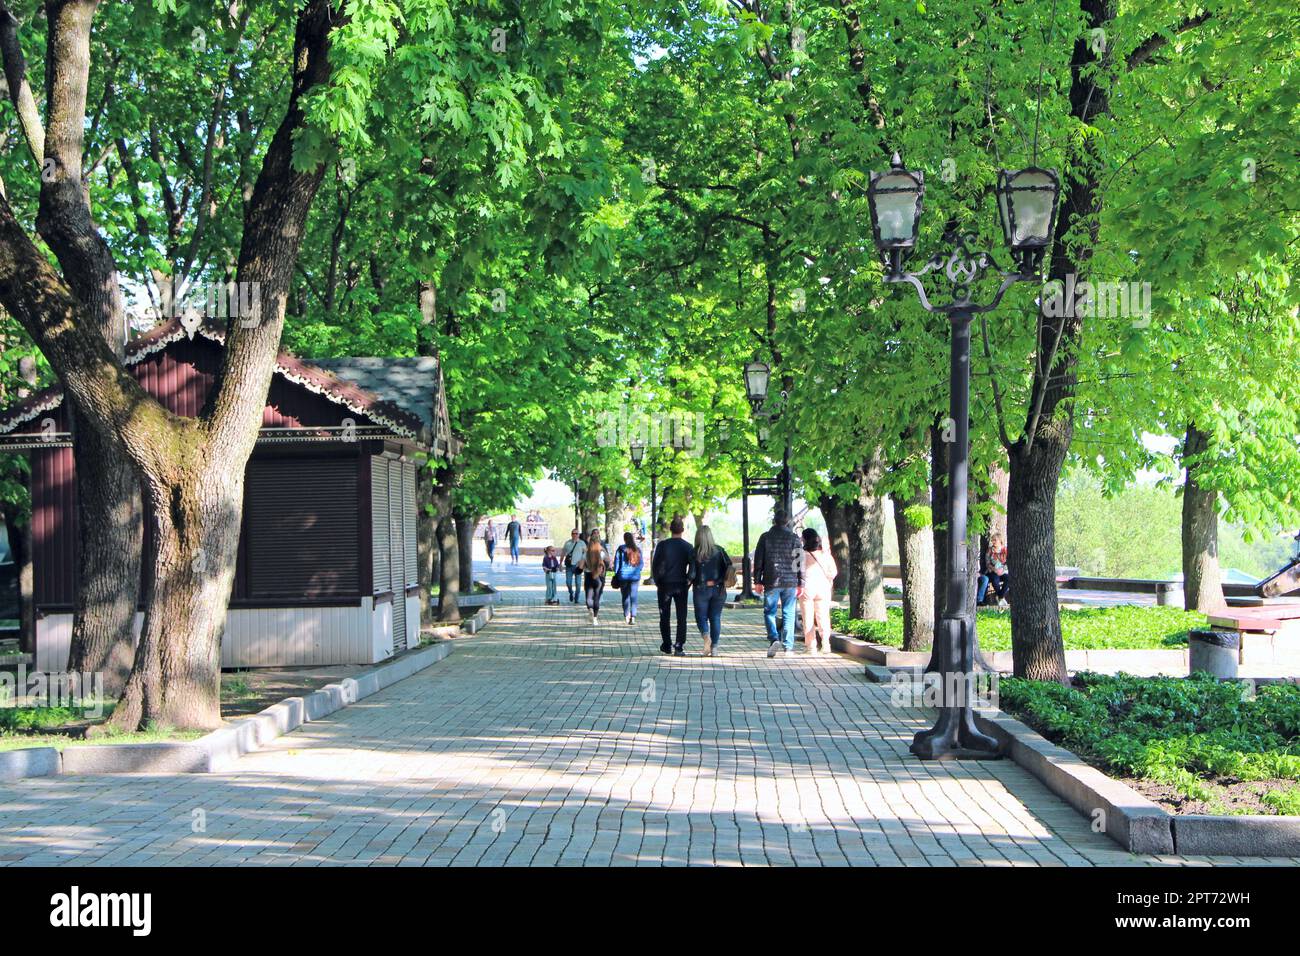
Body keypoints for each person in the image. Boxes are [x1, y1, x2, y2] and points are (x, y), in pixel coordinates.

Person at [754, 507, 804, 658]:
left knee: (769, 611)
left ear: (774, 521)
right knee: (789, 613)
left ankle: (774, 638)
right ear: (788, 522)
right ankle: (788, 647)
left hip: (771, 580)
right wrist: (801, 582)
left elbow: (759, 560)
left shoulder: (765, 537)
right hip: (790, 581)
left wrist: (757, 580)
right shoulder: (795, 538)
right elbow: (799, 562)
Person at [651, 516, 695, 656]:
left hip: (665, 584)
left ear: (670, 530)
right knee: (682, 617)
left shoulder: (663, 545)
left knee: (664, 615)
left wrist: (658, 581)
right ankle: (679, 645)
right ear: (682, 530)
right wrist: (689, 580)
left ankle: (667, 644)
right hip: (681, 584)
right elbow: (693, 567)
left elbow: (655, 565)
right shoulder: (688, 547)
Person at [692, 525, 731, 657]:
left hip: (701, 589)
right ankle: (714, 647)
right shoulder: (719, 551)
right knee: (715, 617)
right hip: (719, 588)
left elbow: (692, 574)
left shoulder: (695, 552)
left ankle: (706, 637)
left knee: (701, 616)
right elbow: (729, 567)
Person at [799, 528, 837, 655]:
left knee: (807, 618)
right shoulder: (826, 555)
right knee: (823, 616)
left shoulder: (800, 554)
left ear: (804, 539)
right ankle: (826, 644)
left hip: (807, 588)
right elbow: (833, 572)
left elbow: (795, 571)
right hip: (823, 588)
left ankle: (811, 647)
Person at [610, 531, 643, 625]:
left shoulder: (621, 549)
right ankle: (633, 616)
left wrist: (616, 573)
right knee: (634, 596)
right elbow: (641, 564)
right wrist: (637, 570)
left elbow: (617, 563)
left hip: (623, 576)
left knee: (625, 596)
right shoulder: (637, 549)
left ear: (624, 539)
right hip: (635, 576)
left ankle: (626, 615)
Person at [579, 531, 610, 623]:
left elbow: (580, 566)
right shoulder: (601, 553)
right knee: (596, 597)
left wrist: (583, 566)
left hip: (588, 576)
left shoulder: (586, 553)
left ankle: (590, 610)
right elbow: (608, 561)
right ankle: (595, 619)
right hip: (598, 576)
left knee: (589, 597)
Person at [978, 533, 1010, 605]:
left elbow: (1008, 562)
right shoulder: (990, 550)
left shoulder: (1005, 550)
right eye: (992, 540)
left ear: (1000, 540)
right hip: (993, 571)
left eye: (995, 540)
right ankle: (1001, 598)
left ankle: (1000, 596)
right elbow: (987, 563)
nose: (993, 542)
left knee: (1009, 579)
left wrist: (1002, 570)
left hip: (1003, 571)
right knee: (995, 580)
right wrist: (994, 569)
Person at [561, 529, 585, 603]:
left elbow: (586, 553)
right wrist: (560, 564)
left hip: (578, 566)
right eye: (573, 533)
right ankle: (571, 592)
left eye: (576, 533)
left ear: (578, 535)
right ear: (571, 534)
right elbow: (563, 553)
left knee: (578, 583)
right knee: (568, 582)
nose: (575, 535)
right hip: (569, 566)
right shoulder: (567, 543)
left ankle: (577, 598)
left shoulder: (582, 543)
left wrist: (581, 562)